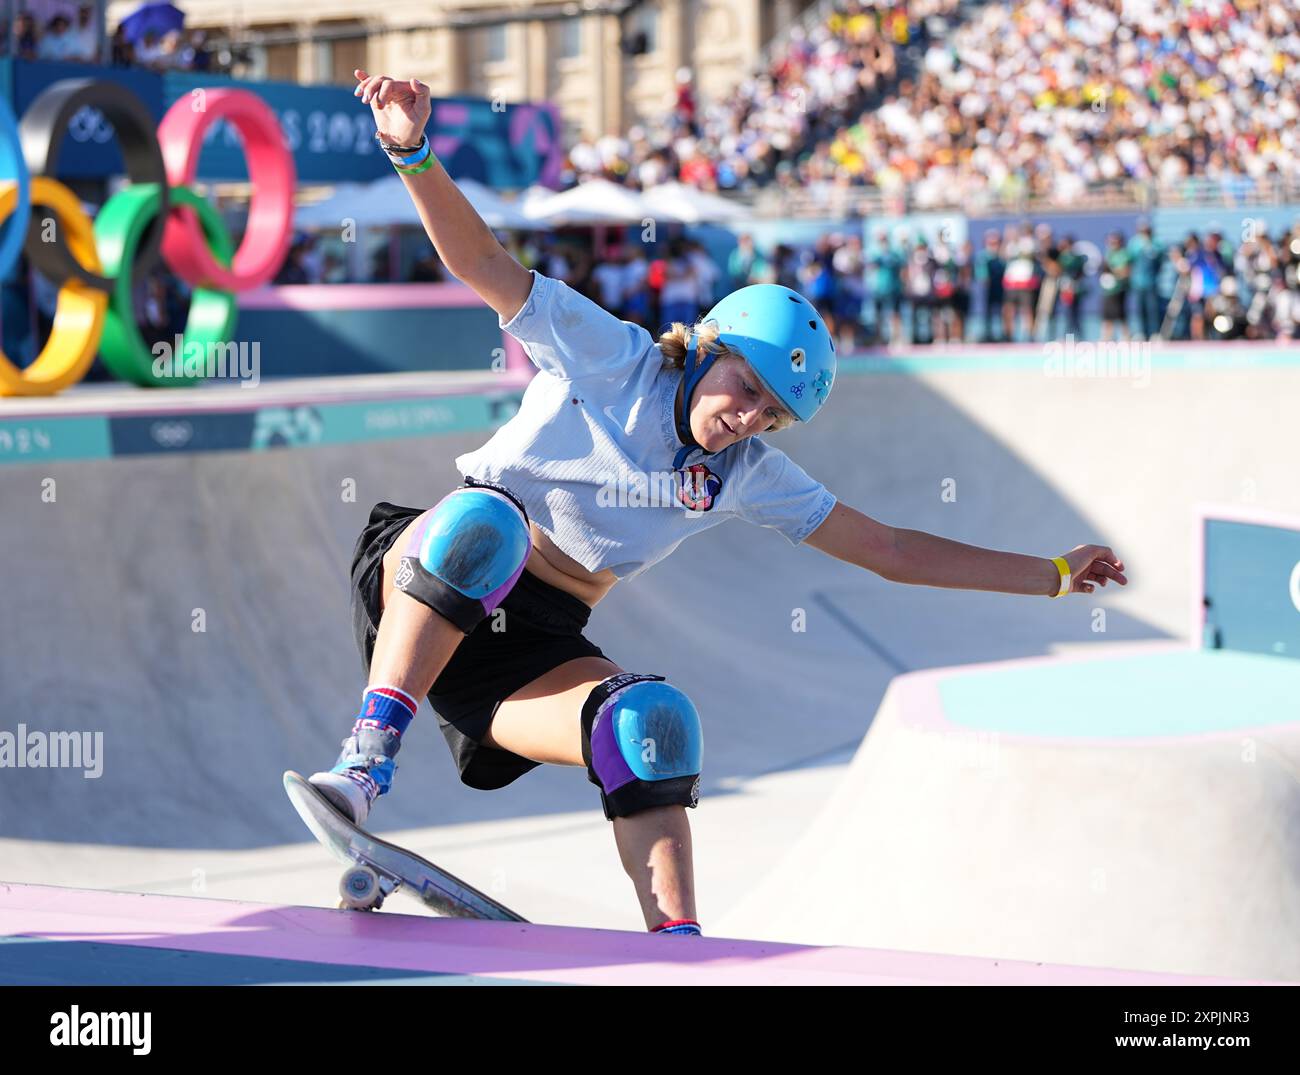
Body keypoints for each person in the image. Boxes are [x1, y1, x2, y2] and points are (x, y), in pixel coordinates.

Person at [304, 67, 1130, 938]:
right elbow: (482, 262)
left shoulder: (748, 474)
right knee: (491, 522)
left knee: (650, 723)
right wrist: (411, 149)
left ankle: (679, 946)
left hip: (523, 656)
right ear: (706, 348)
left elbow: (890, 548)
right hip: (426, 574)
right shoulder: (610, 354)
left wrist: (1054, 576)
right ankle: (364, 762)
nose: (747, 418)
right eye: (745, 387)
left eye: (771, 413)